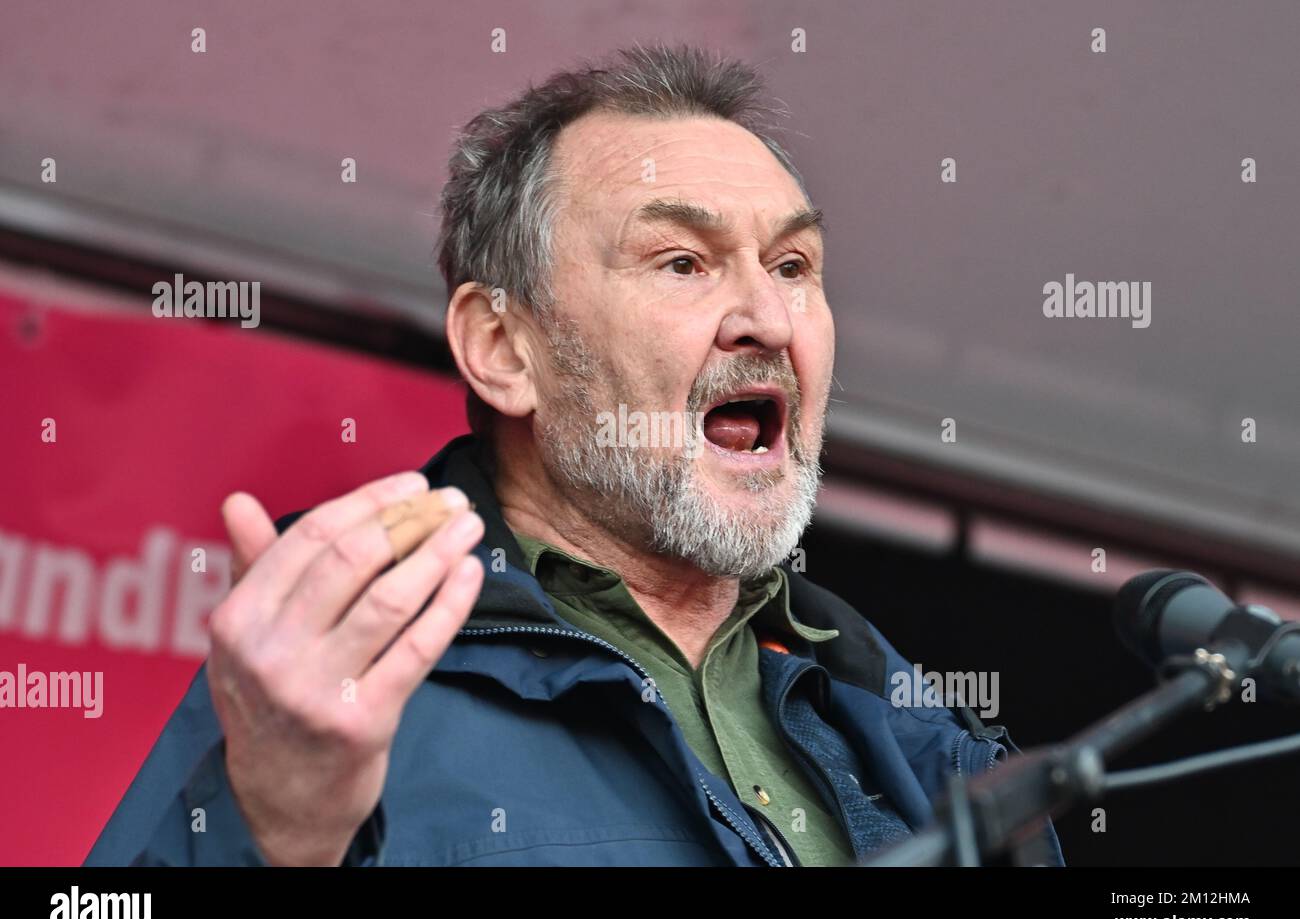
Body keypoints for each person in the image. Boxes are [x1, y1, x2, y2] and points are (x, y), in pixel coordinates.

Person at [87, 44, 1063, 867]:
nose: (767, 317)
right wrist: (277, 831)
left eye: (793, 265)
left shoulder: (910, 731)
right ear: (505, 350)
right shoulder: (342, 664)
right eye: (682, 261)